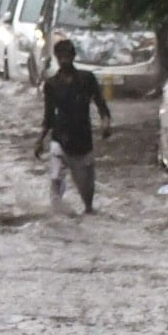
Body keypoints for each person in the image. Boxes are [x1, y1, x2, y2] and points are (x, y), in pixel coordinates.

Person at [34, 37, 112, 213]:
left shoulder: (86, 79)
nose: (64, 60)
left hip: (83, 143)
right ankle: (58, 215)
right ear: (56, 58)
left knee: (87, 196)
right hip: (59, 139)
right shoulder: (52, 84)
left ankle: (87, 212)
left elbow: (101, 104)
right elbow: (48, 116)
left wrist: (106, 123)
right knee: (55, 179)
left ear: (73, 56)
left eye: (67, 56)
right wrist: (40, 140)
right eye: (60, 57)